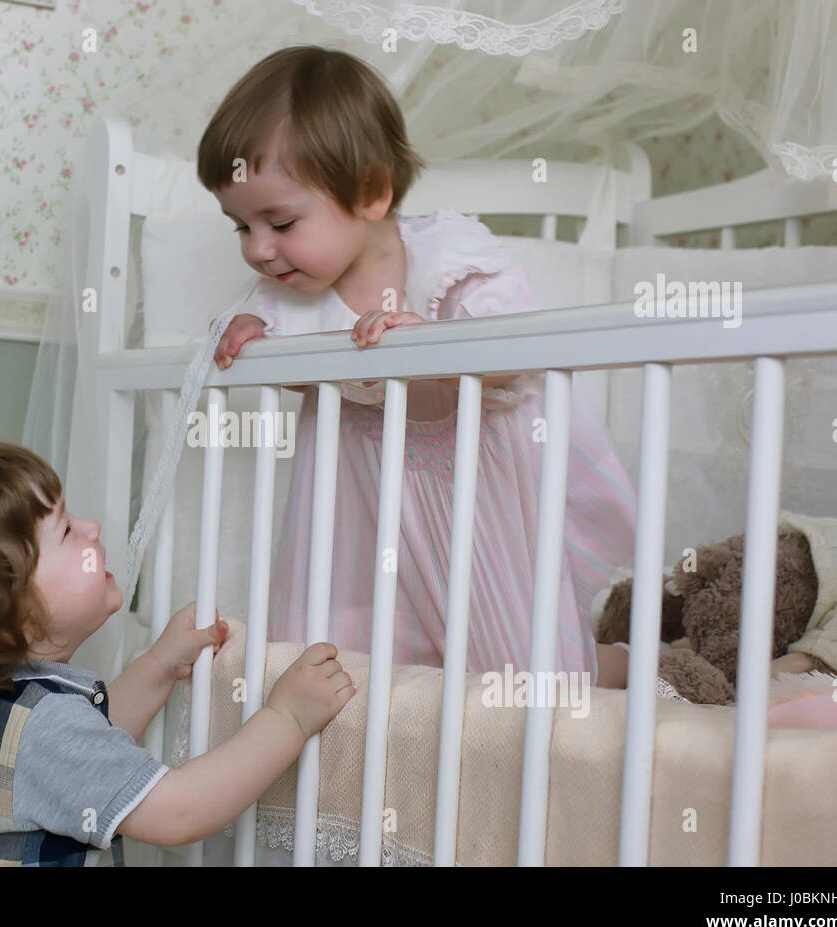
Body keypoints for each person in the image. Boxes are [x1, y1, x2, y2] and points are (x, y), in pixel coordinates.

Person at [201, 45, 637, 684]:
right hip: (360, 506)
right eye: (240, 227)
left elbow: (516, 358)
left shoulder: (452, 261)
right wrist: (247, 339)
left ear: (373, 192)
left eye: (281, 221)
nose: (260, 250)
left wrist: (437, 345)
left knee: (525, 665)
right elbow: (289, 368)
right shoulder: (292, 296)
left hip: (476, 501)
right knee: (359, 647)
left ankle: (636, 668)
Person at [0, 440, 354, 866]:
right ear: (7, 612)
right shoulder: (43, 727)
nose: (93, 527)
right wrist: (287, 718)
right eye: (64, 532)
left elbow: (91, 750)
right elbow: (180, 811)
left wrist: (158, 667)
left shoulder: (2, 708)